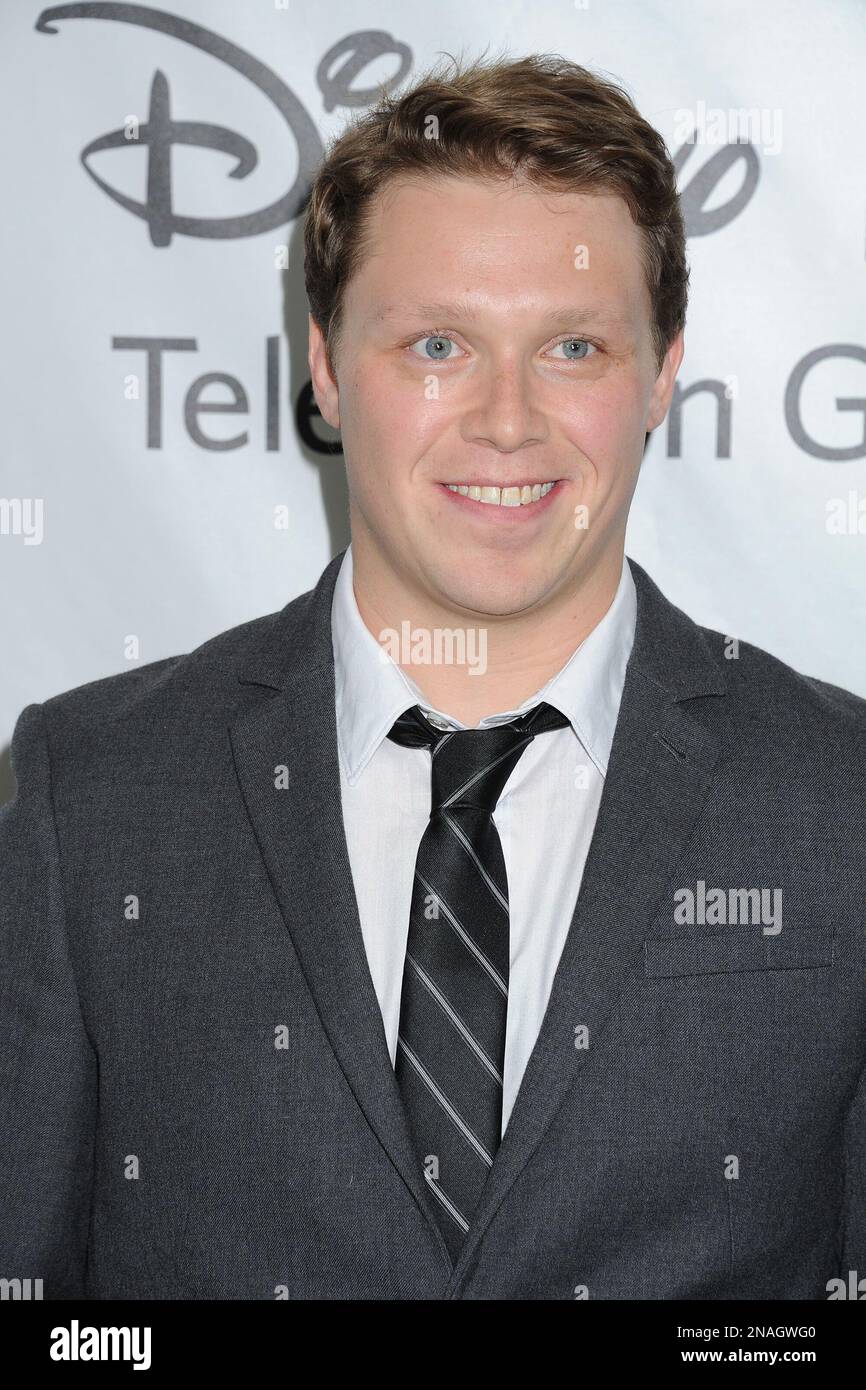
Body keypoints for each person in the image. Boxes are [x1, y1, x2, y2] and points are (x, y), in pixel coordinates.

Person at [1, 53, 864, 1302]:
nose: (505, 419)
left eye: (571, 345)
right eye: (437, 344)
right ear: (329, 370)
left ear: (663, 373)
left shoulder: (839, 800)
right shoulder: (96, 796)